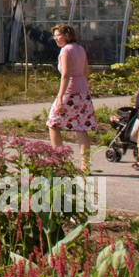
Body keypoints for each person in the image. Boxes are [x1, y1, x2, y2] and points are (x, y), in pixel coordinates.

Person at [46, 23, 99, 173]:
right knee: (81, 127)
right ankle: (85, 165)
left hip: (70, 90)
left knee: (53, 123)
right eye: (54, 36)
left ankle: (59, 161)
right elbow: (86, 70)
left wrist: (60, 97)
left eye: (59, 35)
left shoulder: (65, 51)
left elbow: (65, 75)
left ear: (67, 35)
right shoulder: (80, 48)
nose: (56, 38)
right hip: (82, 90)